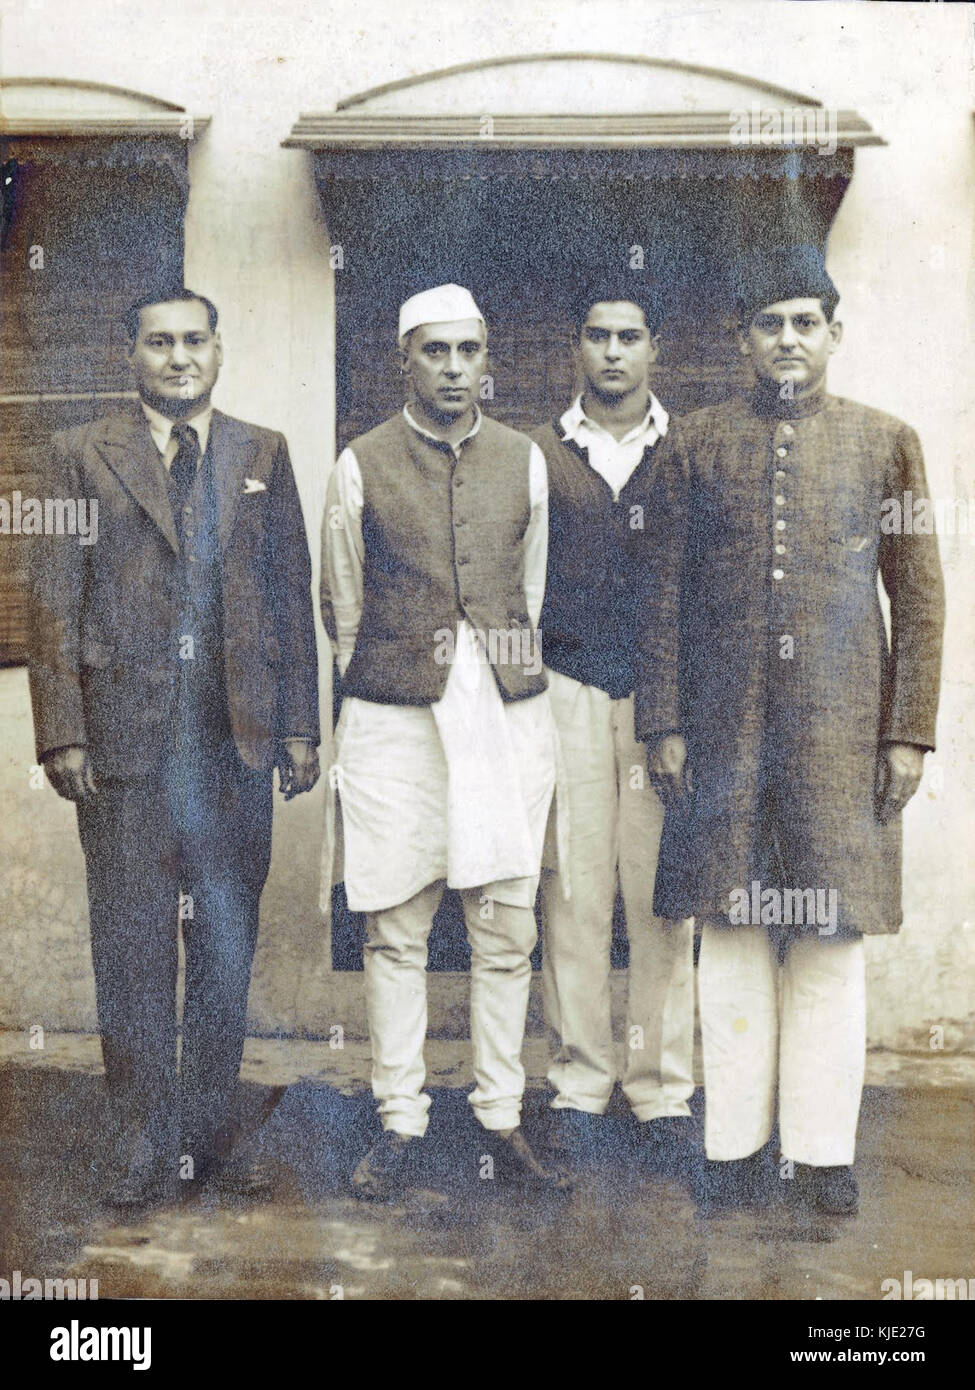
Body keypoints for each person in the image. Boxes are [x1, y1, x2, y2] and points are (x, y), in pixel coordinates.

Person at [636, 247, 945, 1216]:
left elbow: (922, 600)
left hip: (840, 732)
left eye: (804, 323)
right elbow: (662, 598)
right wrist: (665, 720)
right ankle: (731, 1150)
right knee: (729, 934)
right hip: (723, 735)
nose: (786, 340)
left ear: (833, 335)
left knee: (825, 938)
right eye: (768, 323)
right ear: (741, 338)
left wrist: (906, 733)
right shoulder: (692, 444)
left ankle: (820, 1158)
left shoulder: (887, 442)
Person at [27, 288, 320, 1206]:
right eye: (160, 343)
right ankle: (138, 1142)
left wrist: (301, 726)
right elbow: (51, 602)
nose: (179, 358)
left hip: (232, 750)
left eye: (195, 340)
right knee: (134, 950)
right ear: (131, 356)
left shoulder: (261, 453)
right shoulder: (80, 456)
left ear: (219, 351)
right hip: (126, 752)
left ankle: (206, 1141)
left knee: (225, 951)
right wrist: (63, 730)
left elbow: (287, 598)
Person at [322, 283, 569, 1200]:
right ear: (404, 360)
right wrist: (390, 676)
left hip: (503, 713)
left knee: (505, 928)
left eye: (469, 351)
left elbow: (529, 589)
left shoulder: (524, 460)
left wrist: (489, 672)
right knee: (396, 926)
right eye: (436, 351)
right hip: (393, 719)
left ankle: (500, 1117)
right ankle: (399, 1118)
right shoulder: (361, 463)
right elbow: (341, 608)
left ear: (485, 359)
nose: (455, 369)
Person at [531, 286, 695, 1168]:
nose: (612, 353)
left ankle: (661, 1089)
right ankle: (578, 1082)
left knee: (661, 895)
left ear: (654, 348)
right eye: (596, 336)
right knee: (575, 891)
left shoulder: (691, 448)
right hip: (566, 690)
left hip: (662, 704)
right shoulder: (537, 455)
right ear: (575, 348)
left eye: (629, 336)